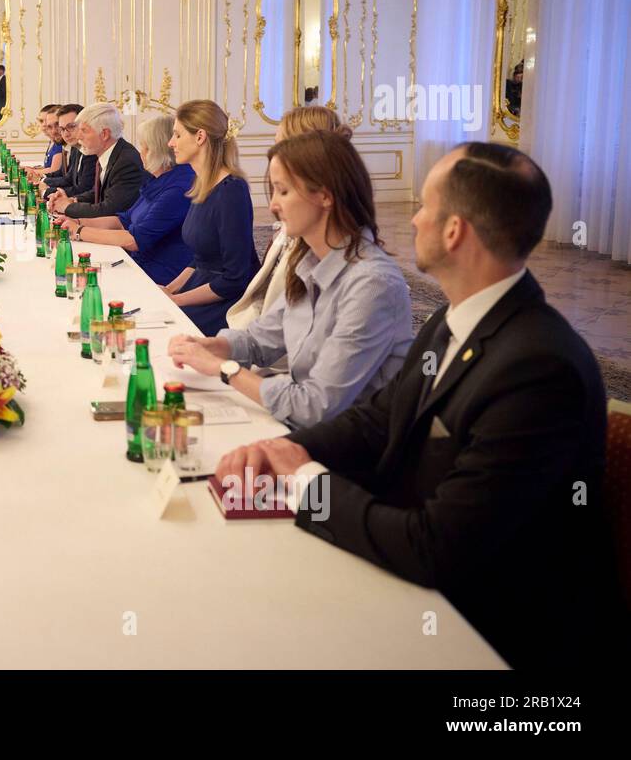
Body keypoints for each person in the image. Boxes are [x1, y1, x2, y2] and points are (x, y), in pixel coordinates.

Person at [212, 142, 621, 669]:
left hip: (498, 639)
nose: (415, 219)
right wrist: (280, 448)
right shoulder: (453, 320)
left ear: (454, 232)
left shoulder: (539, 370)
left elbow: (437, 550)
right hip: (433, 586)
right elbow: (381, 417)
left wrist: (308, 480)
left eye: (425, 207)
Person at [169, 130, 413, 428]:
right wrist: (214, 347)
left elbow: (314, 406)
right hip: (304, 426)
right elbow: (263, 338)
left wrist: (225, 369)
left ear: (324, 195)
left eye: (283, 191)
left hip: (343, 448)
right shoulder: (310, 260)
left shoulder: (372, 284)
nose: (272, 205)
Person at [225, 105, 352, 330]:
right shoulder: (301, 234)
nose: (273, 205)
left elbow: (293, 343)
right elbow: (274, 320)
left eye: (283, 191)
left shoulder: (356, 275)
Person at [158, 100, 259, 334]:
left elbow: (236, 278)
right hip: (202, 289)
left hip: (224, 304)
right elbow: (199, 258)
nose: (170, 143)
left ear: (200, 137)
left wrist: (178, 301)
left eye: (177, 135)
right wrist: (169, 290)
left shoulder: (231, 190)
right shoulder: (203, 184)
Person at [55, 113, 193, 285]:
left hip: (158, 275)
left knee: (78, 281)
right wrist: (75, 220)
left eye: (145, 147)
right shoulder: (157, 179)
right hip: (136, 263)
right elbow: (122, 219)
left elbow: (135, 240)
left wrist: (79, 231)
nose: (140, 152)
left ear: (159, 150)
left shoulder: (178, 187)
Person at [48, 102, 146, 219]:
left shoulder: (126, 162)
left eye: (84, 130)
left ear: (104, 134)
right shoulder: (109, 154)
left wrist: (67, 207)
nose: (78, 136)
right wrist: (72, 200)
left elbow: (109, 209)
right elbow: (97, 193)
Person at [41, 105, 91, 198]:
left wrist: (45, 191)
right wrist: (42, 181)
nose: (66, 134)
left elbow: (83, 189)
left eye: (71, 127)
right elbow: (68, 179)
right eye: (62, 129)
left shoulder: (91, 152)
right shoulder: (76, 149)